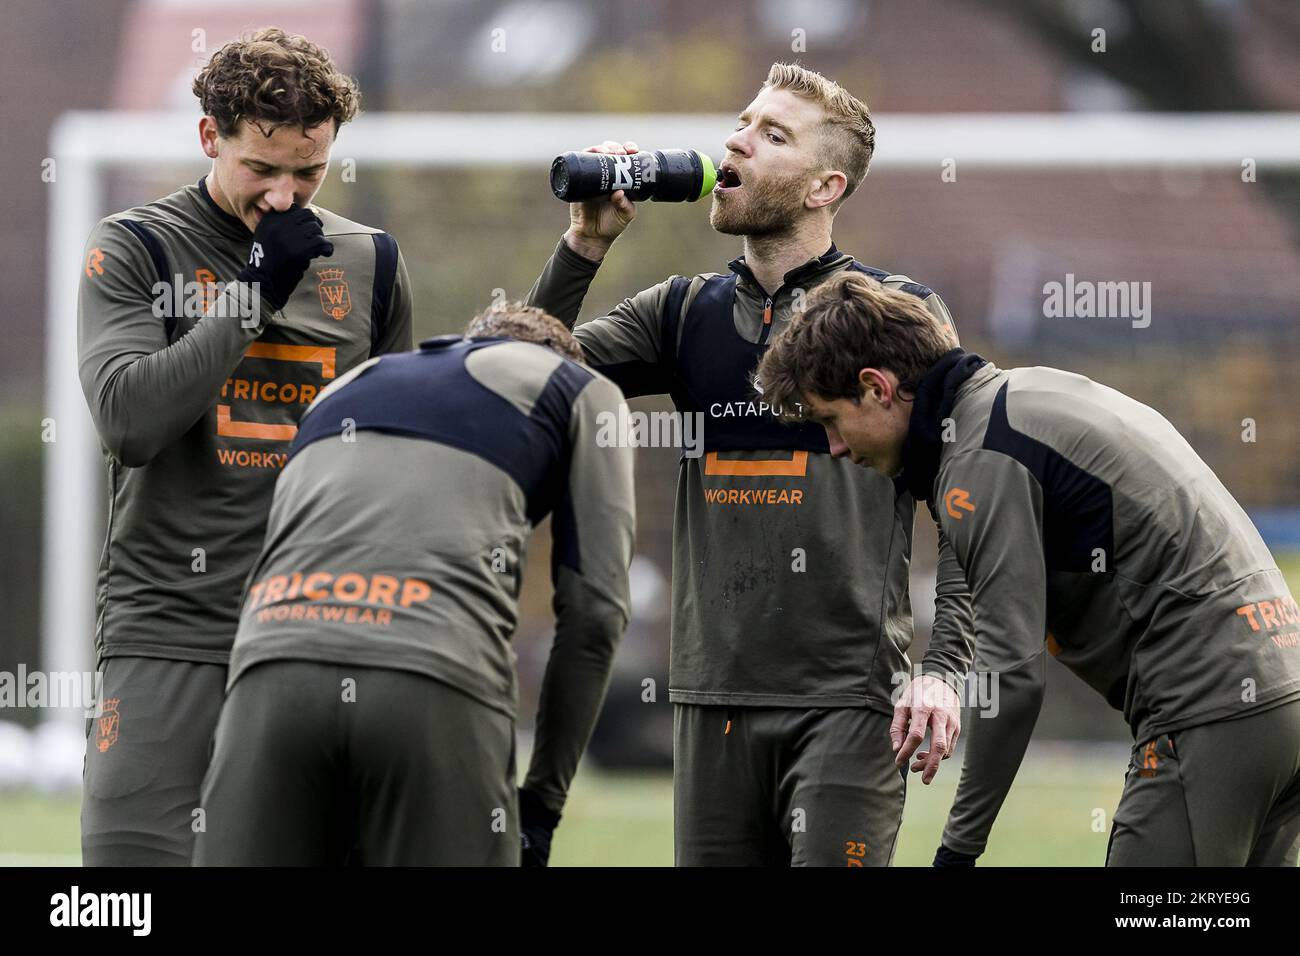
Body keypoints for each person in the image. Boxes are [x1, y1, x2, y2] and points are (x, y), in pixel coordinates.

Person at [527, 62, 973, 866]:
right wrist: (583, 246)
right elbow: (517, 378)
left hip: (849, 704)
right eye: (741, 123)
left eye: (773, 135)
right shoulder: (678, 312)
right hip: (709, 704)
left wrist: (942, 670)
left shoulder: (895, 314)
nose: (737, 141)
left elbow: (970, 505)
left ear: (824, 187)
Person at [757, 270, 1300, 866]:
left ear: (876, 388)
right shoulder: (1025, 396)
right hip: (1282, 690)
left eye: (830, 420)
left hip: (1212, 713)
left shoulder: (980, 458)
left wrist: (958, 850)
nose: (835, 447)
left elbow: (1012, 678)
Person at [76, 27, 413, 865]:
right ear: (209, 137)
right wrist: (255, 289)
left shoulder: (371, 262)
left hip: (319, 636)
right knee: (125, 888)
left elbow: (399, 459)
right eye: (261, 169)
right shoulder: (135, 246)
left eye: (309, 171)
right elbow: (130, 422)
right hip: (170, 628)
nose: (285, 196)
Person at [193, 304, 634, 865]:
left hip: (272, 671)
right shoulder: (580, 387)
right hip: (431, 676)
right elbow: (596, 611)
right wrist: (542, 804)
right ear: (557, 355)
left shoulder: (345, 387)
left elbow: (269, 560)